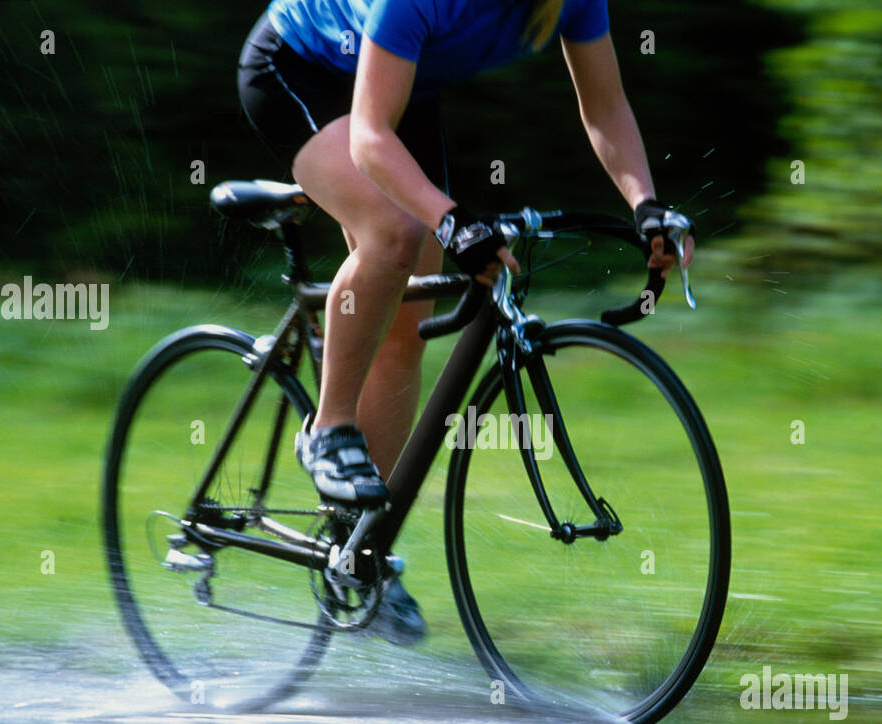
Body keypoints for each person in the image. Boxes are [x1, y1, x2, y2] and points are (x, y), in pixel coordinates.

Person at [237, 0, 695, 644]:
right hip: (300, 69)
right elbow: (369, 136)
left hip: (403, 83)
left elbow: (605, 108)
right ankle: (328, 430)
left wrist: (647, 205)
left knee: (408, 325)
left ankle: (358, 552)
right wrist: (452, 221)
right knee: (394, 235)